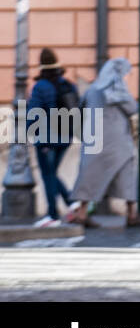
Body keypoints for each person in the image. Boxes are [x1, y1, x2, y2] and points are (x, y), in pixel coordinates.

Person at [64, 58, 140, 228]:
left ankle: (82, 214)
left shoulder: (93, 89)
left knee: (89, 177)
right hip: (118, 143)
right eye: (126, 73)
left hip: (94, 142)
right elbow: (133, 108)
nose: (126, 77)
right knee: (127, 177)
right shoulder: (119, 90)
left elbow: (81, 108)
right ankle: (132, 215)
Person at [28, 49, 78, 228]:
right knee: (52, 174)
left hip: (47, 139)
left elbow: (34, 114)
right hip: (66, 136)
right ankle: (72, 203)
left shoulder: (40, 87)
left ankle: (53, 215)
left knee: (48, 175)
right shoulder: (68, 85)